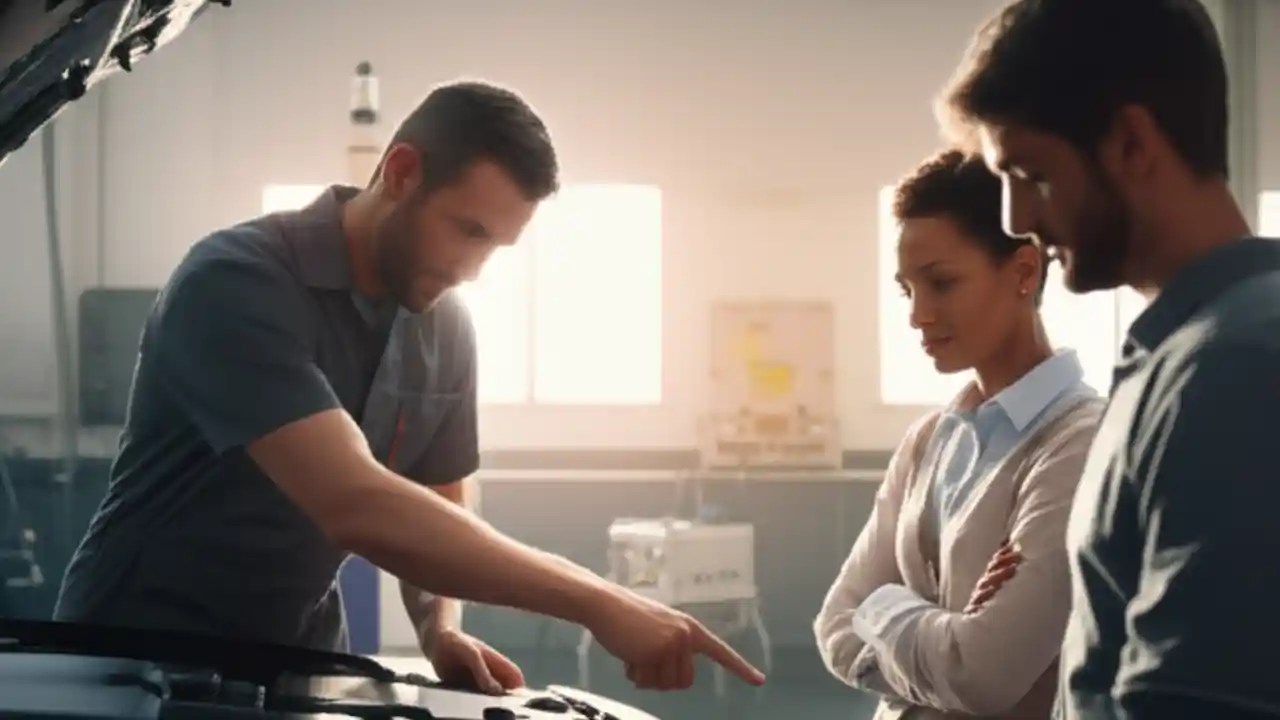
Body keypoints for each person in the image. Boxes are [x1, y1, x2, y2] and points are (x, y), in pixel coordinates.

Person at [53, 79, 765, 695]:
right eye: (468, 230)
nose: (472, 269)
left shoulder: (442, 321)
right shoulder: (234, 282)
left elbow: (439, 496)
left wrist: (439, 624)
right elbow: (357, 502)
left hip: (294, 654)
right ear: (400, 171)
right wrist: (601, 602)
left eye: (496, 247)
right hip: (131, 656)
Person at [937, 1, 1280, 718]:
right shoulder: (1183, 353)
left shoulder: (1235, 370)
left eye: (1030, 173)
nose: (1015, 219)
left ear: (1130, 141)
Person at [814, 149, 1104, 719]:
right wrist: (937, 629)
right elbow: (834, 626)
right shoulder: (929, 440)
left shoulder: (1081, 444)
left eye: (941, 283)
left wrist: (886, 607)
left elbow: (983, 675)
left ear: (1024, 270)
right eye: (907, 290)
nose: (918, 315)